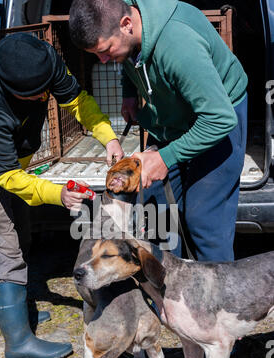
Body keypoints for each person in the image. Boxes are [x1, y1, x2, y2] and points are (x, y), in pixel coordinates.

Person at [0, 32, 124, 358]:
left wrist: (109, 138)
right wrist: (57, 194)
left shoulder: (42, 60)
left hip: (12, 163)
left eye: (46, 88)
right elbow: (7, 177)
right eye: (36, 94)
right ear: (10, 88)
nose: (45, 96)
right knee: (3, 246)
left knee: (23, 235)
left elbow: (78, 101)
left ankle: (4, 315)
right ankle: (18, 344)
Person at [69, 0, 248, 261]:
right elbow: (130, 57)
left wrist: (165, 158)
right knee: (156, 213)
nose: (104, 60)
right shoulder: (128, 24)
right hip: (169, 116)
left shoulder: (178, 45)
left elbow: (219, 118)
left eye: (106, 50)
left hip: (216, 118)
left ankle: (213, 299)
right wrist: (130, 93)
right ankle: (167, 296)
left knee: (203, 219)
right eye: (96, 55)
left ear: (126, 24)